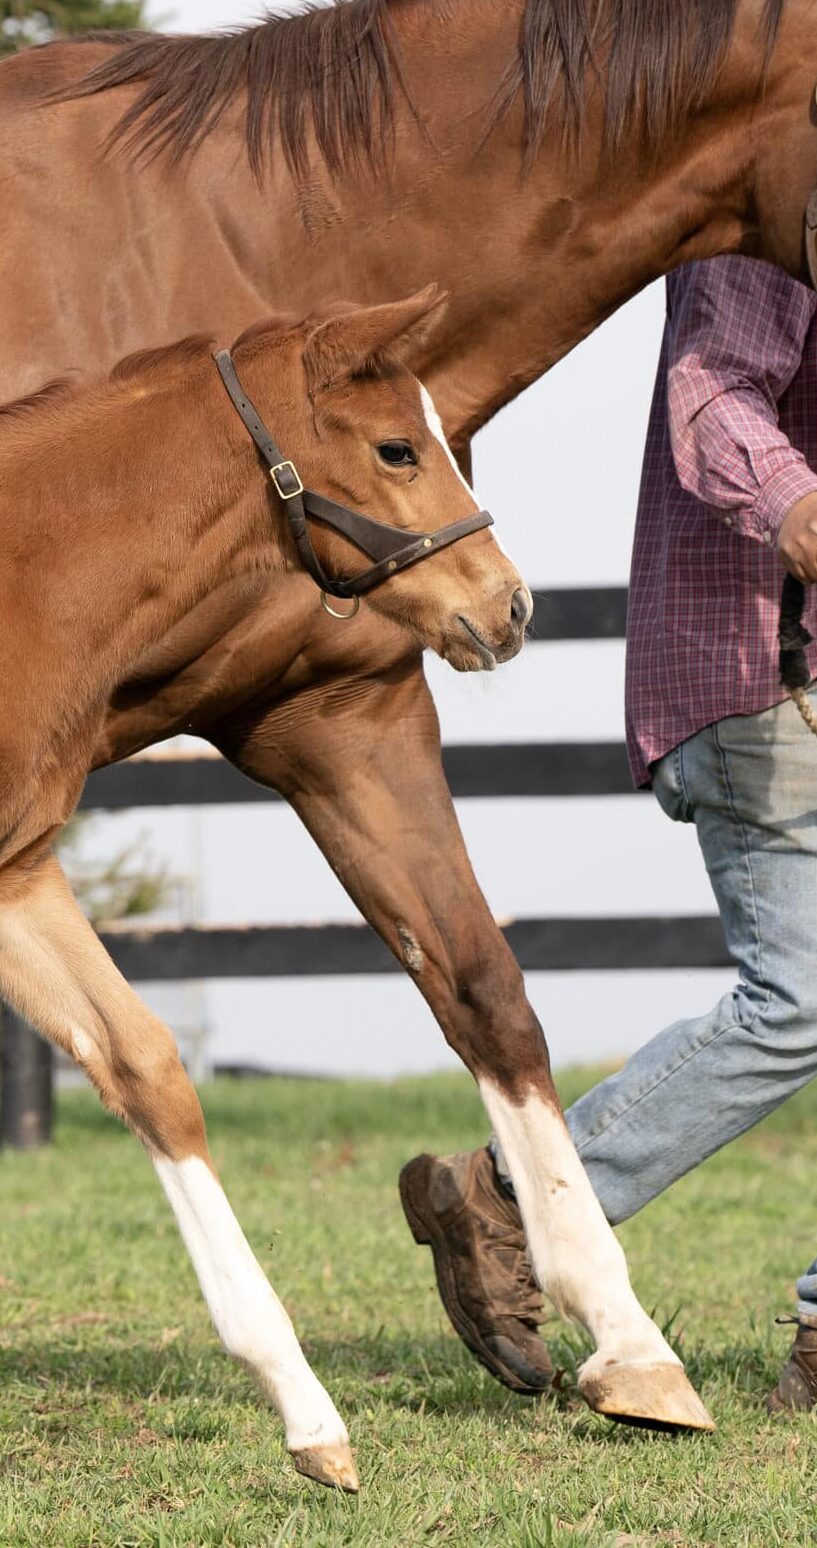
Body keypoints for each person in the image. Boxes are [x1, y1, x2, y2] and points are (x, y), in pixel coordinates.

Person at [399, 255, 817, 1412]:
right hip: (759, 668)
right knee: (800, 997)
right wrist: (805, 511)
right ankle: (510, 1200)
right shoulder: (776, 210)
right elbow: (711, 389)